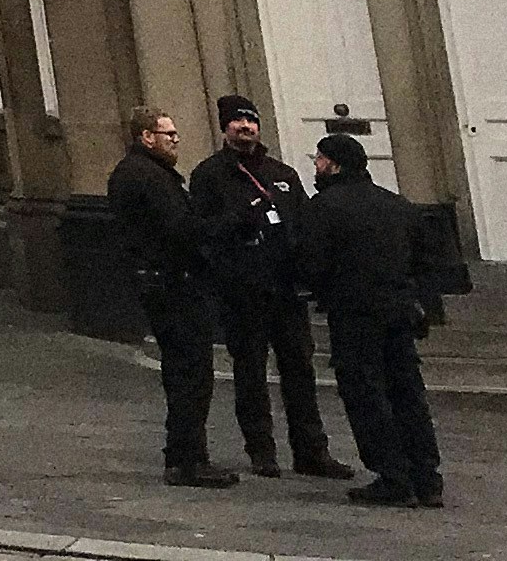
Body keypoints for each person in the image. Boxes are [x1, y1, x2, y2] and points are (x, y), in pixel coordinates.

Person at [187, 96, 345, 478]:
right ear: (225, 128)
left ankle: (311, 450)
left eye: (251, 121)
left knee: (299, 370)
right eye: (237, 122)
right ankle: (261, 450)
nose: (246, 128)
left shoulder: (283, 174)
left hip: (285, 288)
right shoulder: (209, 175)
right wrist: (237, 223)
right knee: (251, 371)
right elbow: (201, 233)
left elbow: (303, 222)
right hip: (242, 290)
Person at [295, 130, 444, 511]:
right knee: (407, 392)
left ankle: (392, 476)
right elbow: (426, 261)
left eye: (319, 160)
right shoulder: (397, 205)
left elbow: (311, 265)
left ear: (334, 164)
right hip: (399, 312)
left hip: (355, 315)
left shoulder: (324, 208)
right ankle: (426, 475)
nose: (316, 166)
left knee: (366, 395)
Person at [108, 103, 234, 486]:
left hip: (165, 281)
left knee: (186, 371)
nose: (177, 141)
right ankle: (187, 459)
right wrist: (220, 229)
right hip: (173, 284)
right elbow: (179, 230)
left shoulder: (142, 173)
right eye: (170, 135)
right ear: (148, 137)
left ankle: (185, 455)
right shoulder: (148, 177)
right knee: (190, 372)